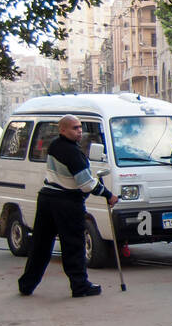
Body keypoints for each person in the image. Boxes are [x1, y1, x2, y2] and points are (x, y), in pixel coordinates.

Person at [18, 115, 119, 297]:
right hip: (66, 202)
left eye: (80, 127)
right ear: (62, 130)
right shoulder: (72, 152)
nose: (79, 131)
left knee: (40, 244)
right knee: (73, 245)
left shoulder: (55, 145)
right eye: (74, 128)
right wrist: (108, 194)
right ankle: (80, 286)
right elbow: (86, 183)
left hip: (47, 198)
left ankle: (27, 284)